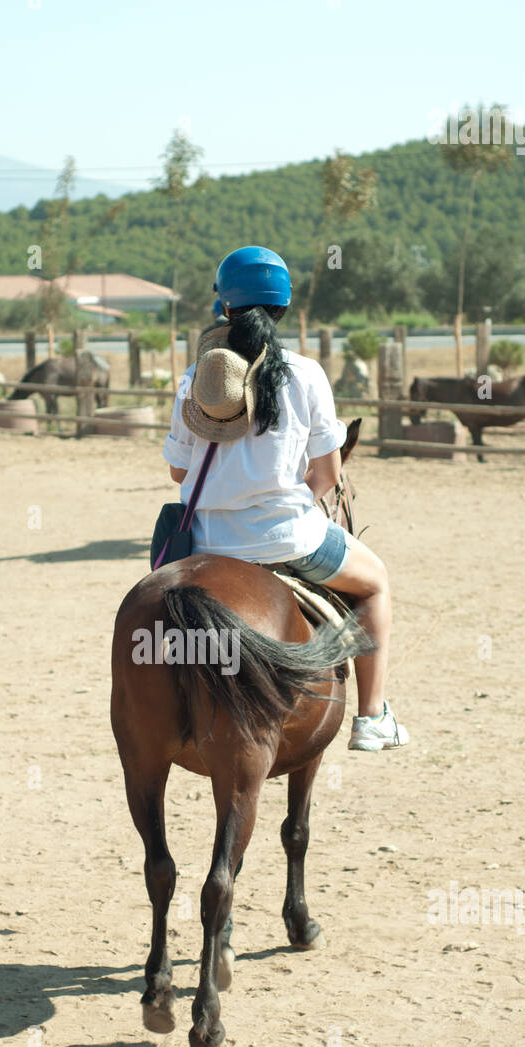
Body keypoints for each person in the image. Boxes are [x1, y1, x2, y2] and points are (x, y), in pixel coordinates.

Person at [163, 245, 408, 752]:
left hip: (206, 543)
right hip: (287, 537)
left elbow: (178, 471)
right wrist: (296, 499)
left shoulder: (197, 378)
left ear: (224, 307)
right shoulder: (307, 373)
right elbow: (327, 473)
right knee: (376, 582)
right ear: (282, 308)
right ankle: (372, 718)